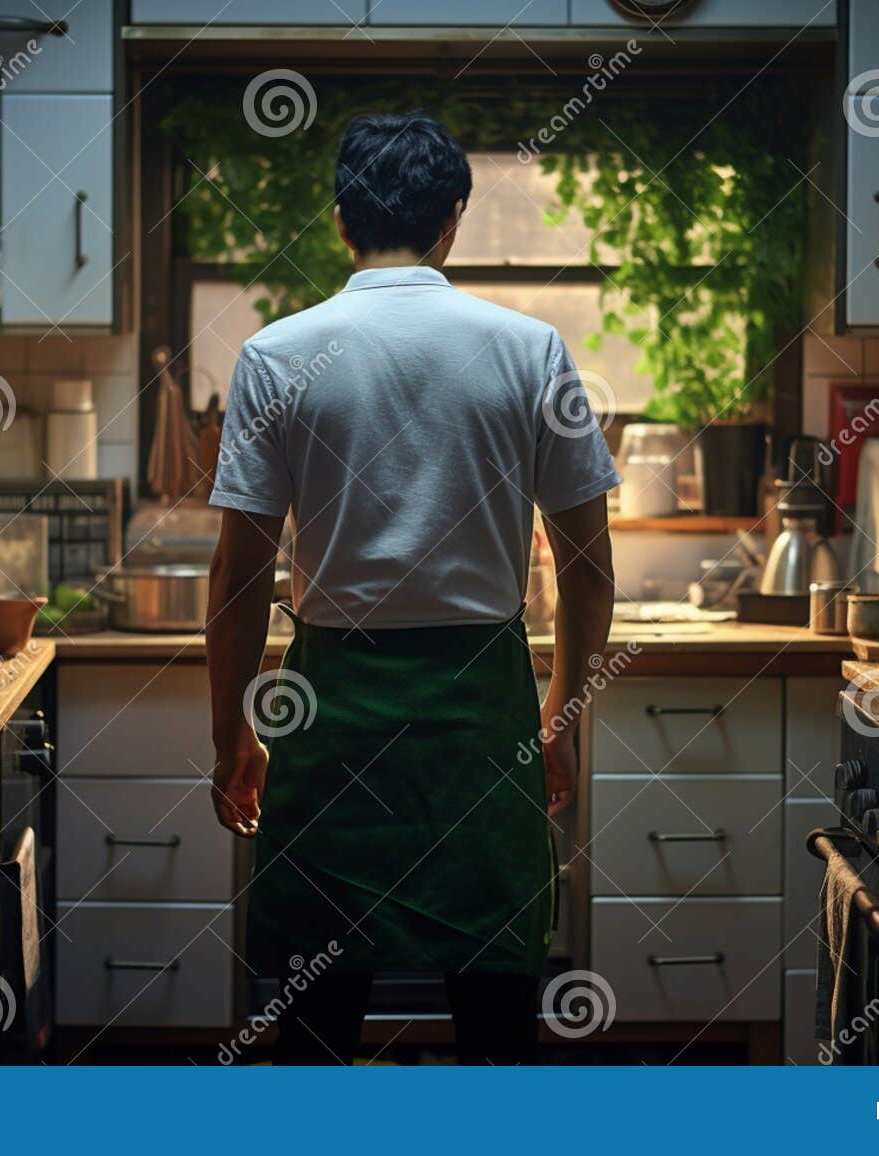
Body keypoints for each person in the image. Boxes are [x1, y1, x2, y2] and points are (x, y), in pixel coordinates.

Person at [204, 111, 618, 1065]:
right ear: (453, 222)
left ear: (343, 221)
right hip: (483, 718)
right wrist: (560, 716)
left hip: (328, 713)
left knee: (315, 1023)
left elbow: (238, 577)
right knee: (497, 1022)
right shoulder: (530, 351)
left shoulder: (277, 356)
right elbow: (588, 568)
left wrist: (232, 736)